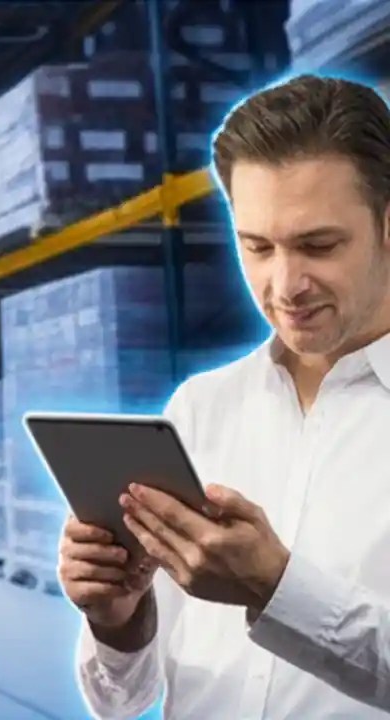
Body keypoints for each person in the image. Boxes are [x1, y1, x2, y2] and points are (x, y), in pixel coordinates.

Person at [61, 73, 390, 719]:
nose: (284, 284)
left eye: (317, 246)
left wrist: (274, 587)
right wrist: (117, 615)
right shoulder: (201, 408)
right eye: (256, 247)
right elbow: (122, 697)